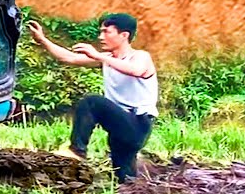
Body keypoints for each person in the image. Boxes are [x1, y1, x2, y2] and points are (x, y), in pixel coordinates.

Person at [26, 13, 159, 182]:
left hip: (138, 125)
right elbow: (69, 57)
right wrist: (43, 40)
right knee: (124, 178)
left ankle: (77, 150)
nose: (100, 37)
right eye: (100, 32)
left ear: (124, 35)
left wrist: (98, 56)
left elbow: (135, 70)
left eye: (106, 32)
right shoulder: (108, 59)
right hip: (119, 126)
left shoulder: (140, 57)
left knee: (92, 102)